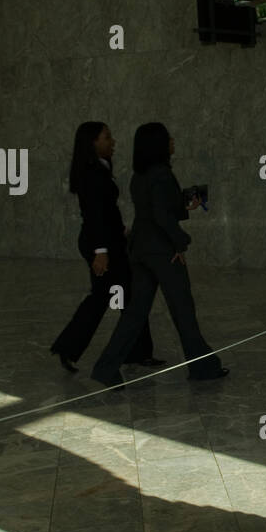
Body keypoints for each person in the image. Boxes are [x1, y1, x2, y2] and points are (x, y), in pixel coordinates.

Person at [91, 122, 228, 387]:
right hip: (161, 250)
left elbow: (159, 207)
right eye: (169, 138)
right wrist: (180, 243)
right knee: (182, 309)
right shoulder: (162, 174)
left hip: (140, 249)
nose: (173, 141)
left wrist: (186, 202)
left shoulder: (139, 176)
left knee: (135, 313)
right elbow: (161, 216)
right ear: (158, 145)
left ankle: (105, 367)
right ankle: (203, 367)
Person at [50, 122, 161, 373]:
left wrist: (119, 230)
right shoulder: (92, 172)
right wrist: (101, 251)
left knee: (124, 297)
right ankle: (72, 347)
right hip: (102, 245)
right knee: (110, 297)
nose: (113, 141)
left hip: (108, 241)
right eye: (107, 137)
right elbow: (94, 215)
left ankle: (136, 351)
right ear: (93, 142)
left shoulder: (99, 168)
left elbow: (106, 210)